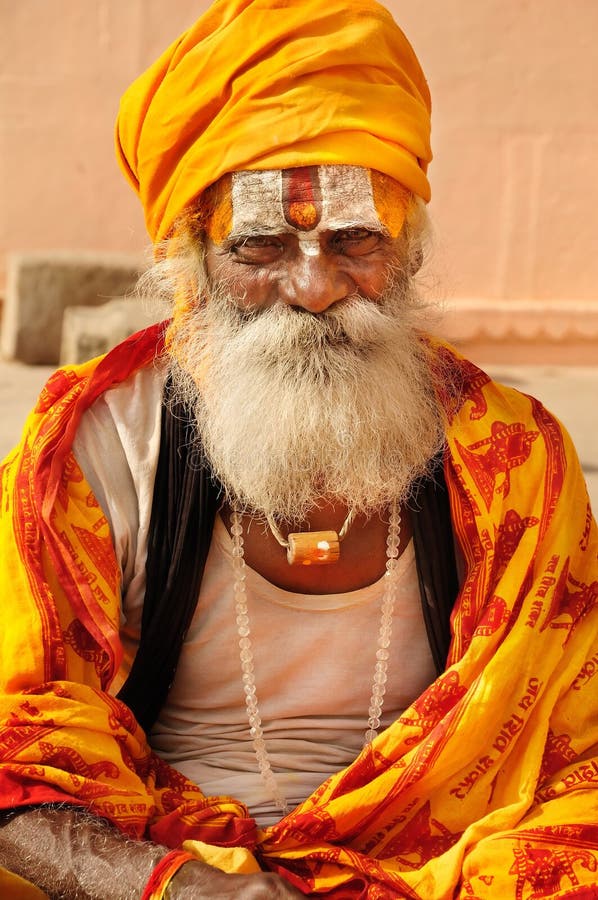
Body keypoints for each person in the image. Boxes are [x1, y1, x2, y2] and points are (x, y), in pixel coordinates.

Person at [1, 0, 597, 897]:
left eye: (355, 239)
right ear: (192, 265)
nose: (314, 288)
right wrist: (179, 886)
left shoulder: (513, 459)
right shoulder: (95, 449)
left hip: (437, 872)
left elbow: (571, 756)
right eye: (261, 245)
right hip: (162, 859)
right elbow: (15, 731)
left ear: (409, 255)